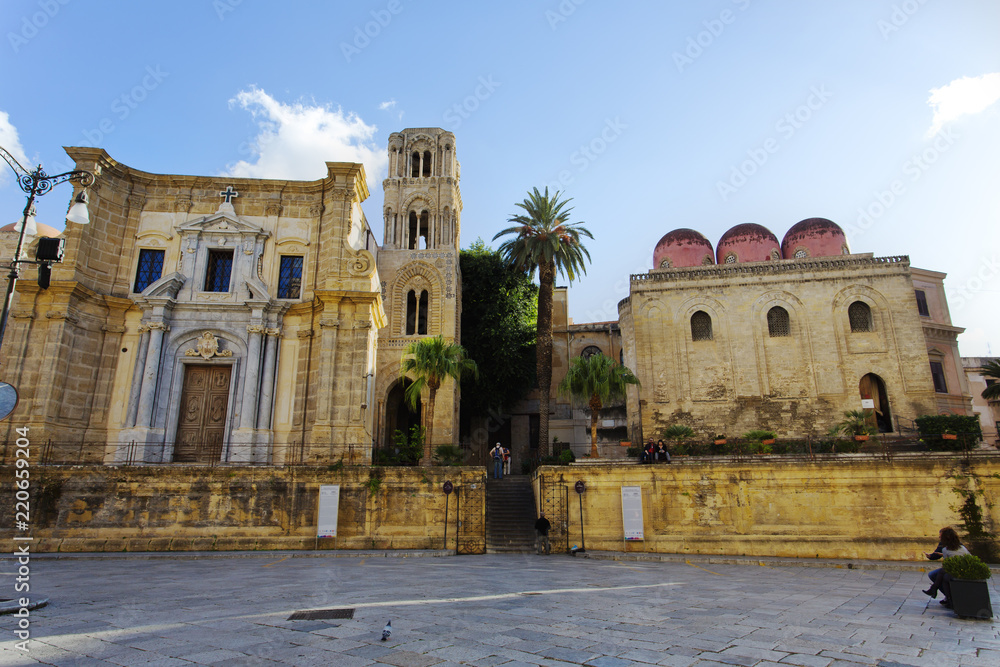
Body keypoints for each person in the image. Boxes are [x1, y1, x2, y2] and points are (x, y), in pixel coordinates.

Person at [923, 526, 970, 607]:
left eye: (940, 536)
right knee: (937, 574)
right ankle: (937, 590)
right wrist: (931, 556)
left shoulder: (945, 549)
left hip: (960, 570)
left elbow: (947, 564)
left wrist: (943, 555)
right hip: (962, 568)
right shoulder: (961, 547)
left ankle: (938, 591)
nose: (939, 537)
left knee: (943, 574)